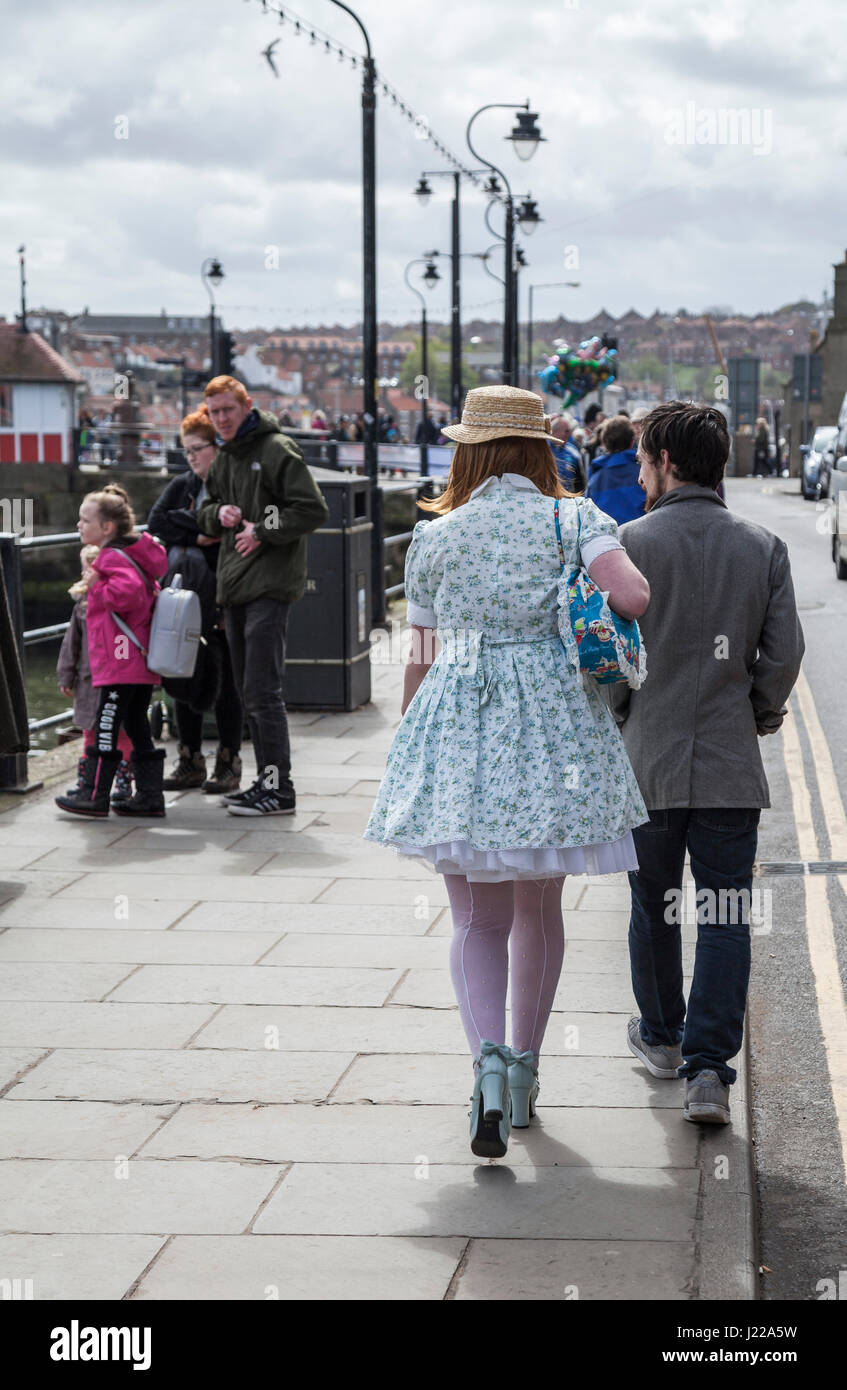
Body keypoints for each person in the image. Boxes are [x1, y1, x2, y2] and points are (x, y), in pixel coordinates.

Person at [364, 385, 651, 1160]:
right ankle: (525, 1073)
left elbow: (419, 657)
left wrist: (409, 742)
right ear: (537, 449)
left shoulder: (435, 535)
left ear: (469, 450)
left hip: (457, 720)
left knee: (474, 921)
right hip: (551, 730)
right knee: (537, 912)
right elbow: (631, 593)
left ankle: (485, 1068)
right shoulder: (574, 518)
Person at [606, 402, 804, 1125]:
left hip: (646, 762)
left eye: (640, 458)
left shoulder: (626, 542)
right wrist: (756, 711)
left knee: (651, 907)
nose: (635, 469)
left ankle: (661, 1037)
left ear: (665, 461)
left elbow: (604, 661)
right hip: (726, 764)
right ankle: (708, 1075)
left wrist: (624, 713)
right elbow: (781, 656)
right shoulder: (761, 546)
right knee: (723, 913)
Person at [197, 376, 329, 816]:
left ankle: (279, 790)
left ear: (246, 405)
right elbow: (205, 510)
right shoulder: (224, 458)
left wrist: (263, 530)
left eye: (227, 410)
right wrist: (221, 513)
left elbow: (311, 508)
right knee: (246, 691)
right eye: (214, 412)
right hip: (235, 585)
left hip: (269, 586)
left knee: (262, 691)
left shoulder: (275, 450)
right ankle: (263, 782)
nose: (221, 419)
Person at [55, 484, 168, 818]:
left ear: (107, 528)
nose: (79, 525)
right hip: (135, 662)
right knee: (135, 725)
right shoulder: (128, 555)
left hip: (121, 662)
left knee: (106, 726)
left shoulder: (111, 557)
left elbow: (128, 594)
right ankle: (149, 796)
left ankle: (94, 795)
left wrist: (96, 583)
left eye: (85, 519)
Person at [146, 406, 244, 795]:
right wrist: (199, 534)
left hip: (223, 596)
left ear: (217, 448)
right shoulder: (183, 484)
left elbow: (232, 530)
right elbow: (156, 521)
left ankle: (228, 762)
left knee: (228, 683)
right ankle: (188, 760)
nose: (191, 457)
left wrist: (188, 528)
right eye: (186, 450)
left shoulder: (231, 486)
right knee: (182, 672)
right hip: (184, 603)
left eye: (197, 449)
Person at [57, 544, 134, 805]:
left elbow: (124, 639)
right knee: (89, 731)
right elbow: (72, 644)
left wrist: (123, 669)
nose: (87, 574)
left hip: (113, 679)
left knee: (120, 732)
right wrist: (66, 675)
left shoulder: (118, 602)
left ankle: (122, 781)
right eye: (84, 570)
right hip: (89, 679)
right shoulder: (82, 604)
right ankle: (87, 782)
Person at [586, 415, 646, 524]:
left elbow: (588, 516)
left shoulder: (595, 476)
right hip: (640, 536)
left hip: (607, 538)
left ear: (604, 444)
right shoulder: (645, 472)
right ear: (632, 441)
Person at [549, 413, 584, 492]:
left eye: (570, 431)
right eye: (567, 431)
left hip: (566, 498)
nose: (569, 434)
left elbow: (579, 481)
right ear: (554, 431)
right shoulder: (543, 449)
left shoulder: (573, 451)